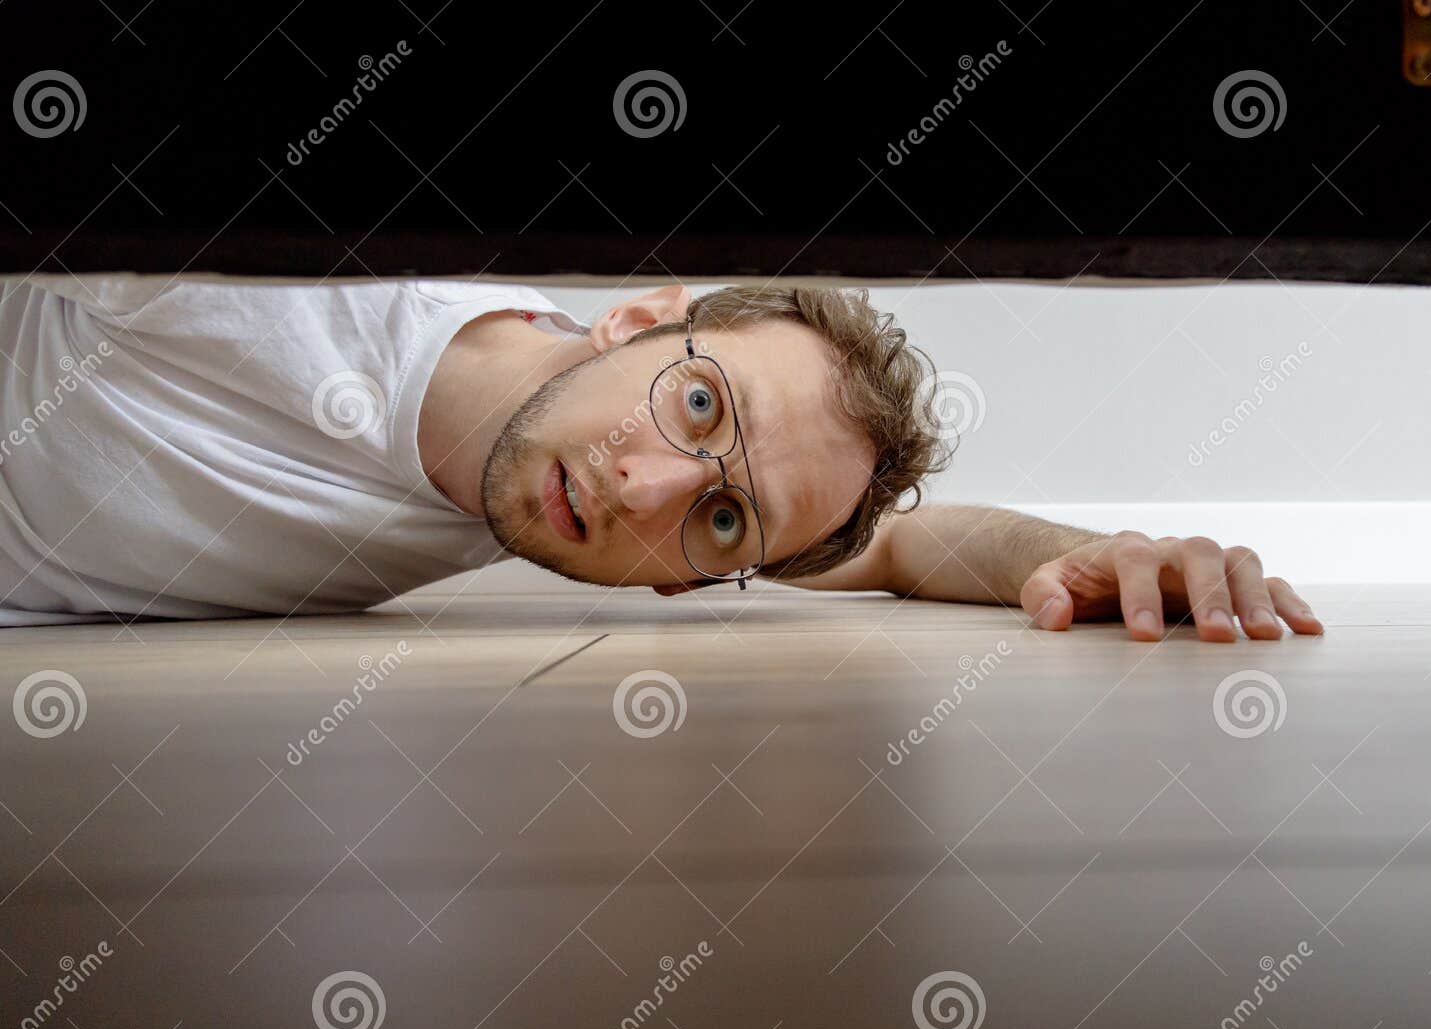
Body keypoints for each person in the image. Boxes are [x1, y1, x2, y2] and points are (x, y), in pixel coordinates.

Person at [0, 275, 1322, 639]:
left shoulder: (599, 498)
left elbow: (909, 543)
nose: (646, 489)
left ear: (687, 583)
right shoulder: (261, 281)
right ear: (637, 317)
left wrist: (1099, 559)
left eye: (725, 520)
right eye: (697, 409)